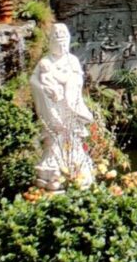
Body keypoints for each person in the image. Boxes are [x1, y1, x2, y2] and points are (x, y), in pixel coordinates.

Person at [31, 23, 96, 189]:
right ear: (51, 42)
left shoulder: (72, 60)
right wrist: (46, 89)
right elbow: (33, 81)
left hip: (68, 104)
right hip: (52, 105)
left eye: (64, 42)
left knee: (71, 135)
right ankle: (53, 158)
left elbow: (77, 80)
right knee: (54, 133)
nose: (61, 45)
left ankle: (75, 158)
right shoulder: (45, 62)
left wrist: (65, 84)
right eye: (57, 41)